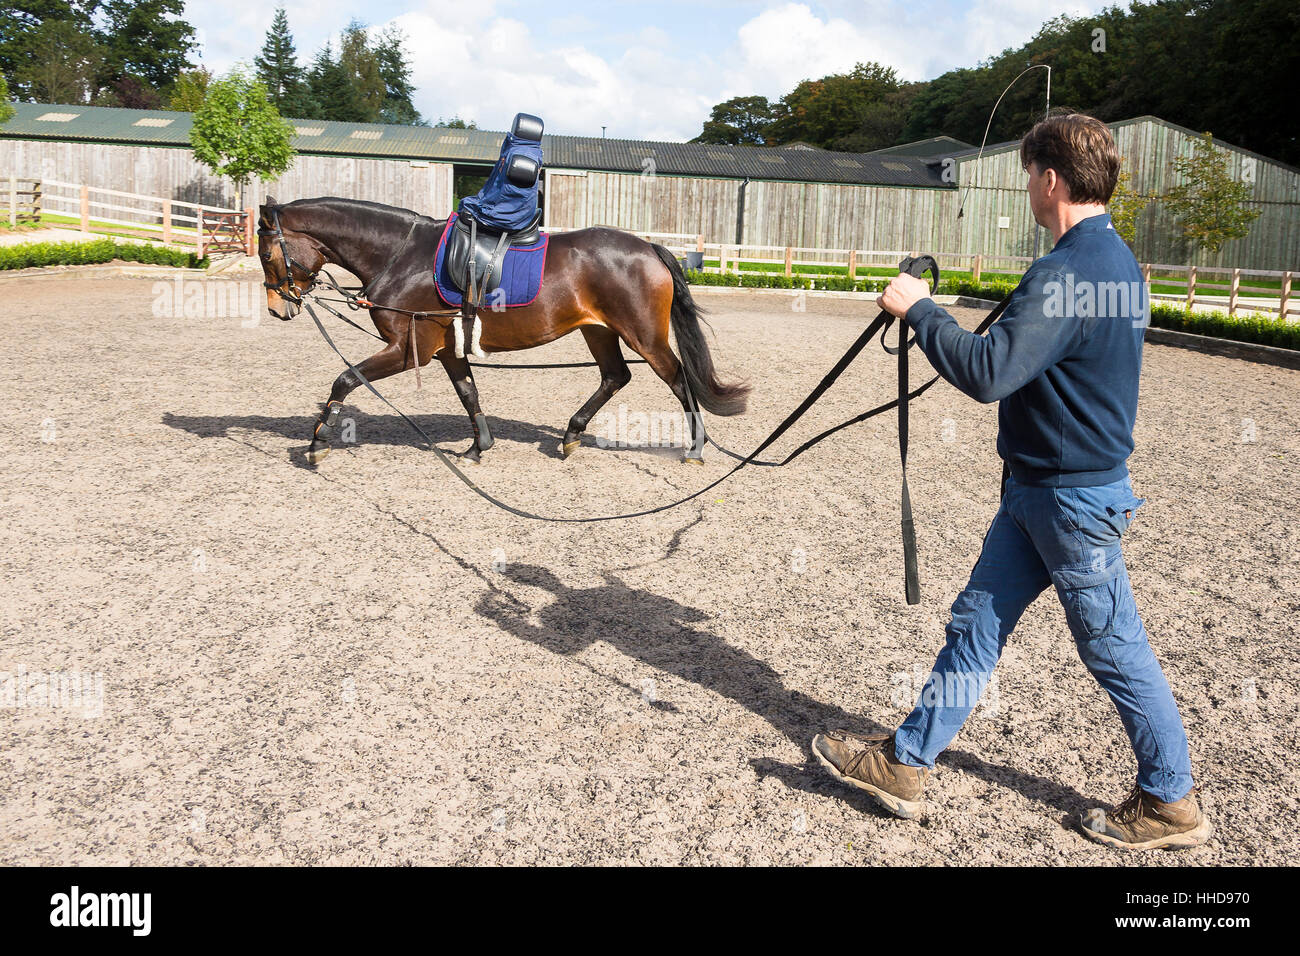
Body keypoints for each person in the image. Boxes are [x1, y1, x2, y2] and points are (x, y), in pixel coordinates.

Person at [812, 112, 1212, 851]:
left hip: (1067, 500)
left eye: (1030, 173)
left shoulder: (1067, 271)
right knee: (977, 623)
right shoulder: (1114, 261)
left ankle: (1170, 801)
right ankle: (905, 762)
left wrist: (920, 311)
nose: (1028, 185)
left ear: (1050, 178)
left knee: (1115, 648)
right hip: (1042, 490)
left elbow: (990, 372)